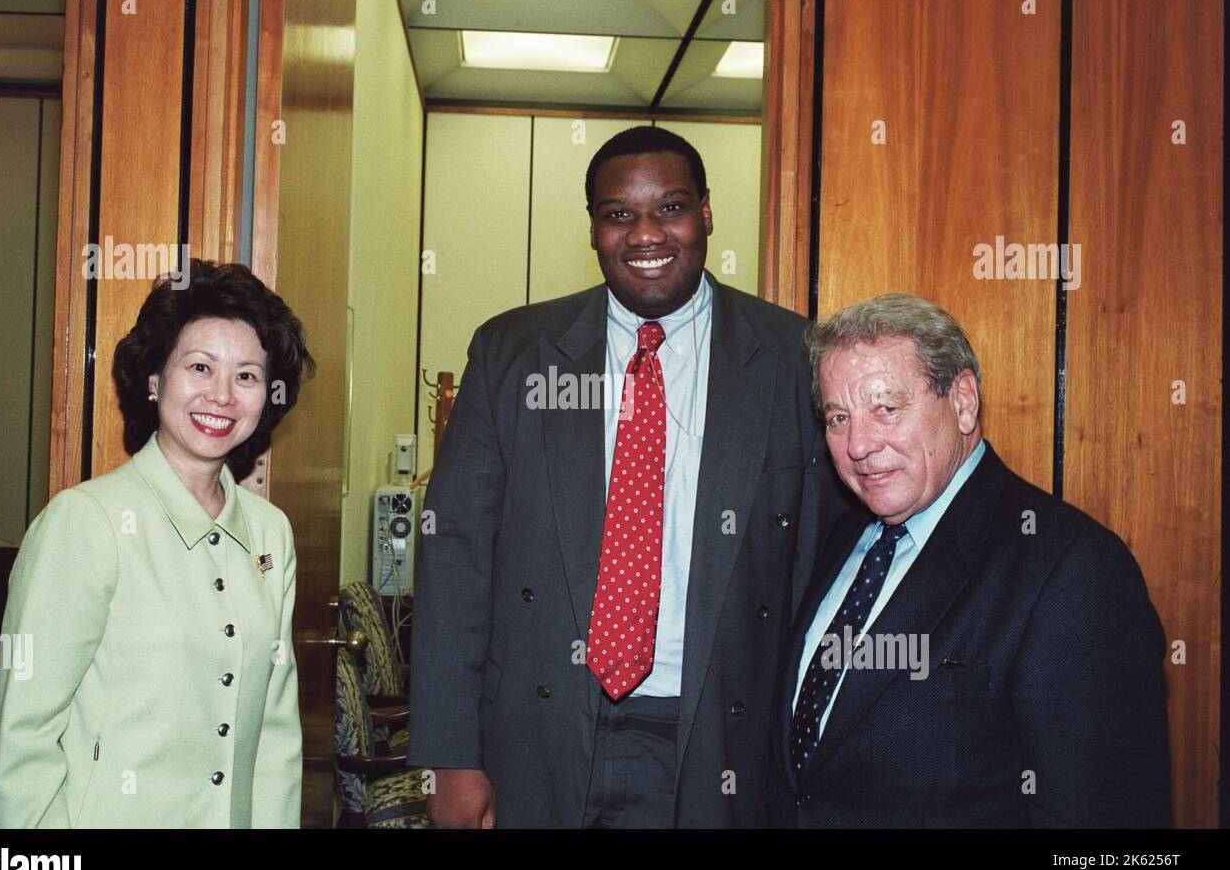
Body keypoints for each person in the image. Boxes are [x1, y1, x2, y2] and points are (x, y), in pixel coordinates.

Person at [409, 125, 850, 827]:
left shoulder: (794, 356)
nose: (645, 234)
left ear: (707, 213)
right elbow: (454, 556)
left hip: (725, 742)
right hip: (537, 738)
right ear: (592, 229)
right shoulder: (512, 353)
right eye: (618, 214)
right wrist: (449, 753)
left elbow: (829, 566)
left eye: (670, 208)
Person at [766, 293, 1171, 827]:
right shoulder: (840, 536)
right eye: (838, 417)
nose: (858, 445)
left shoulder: (1073, 569)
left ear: (962, 402)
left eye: (886, 408)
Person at [0, 260, 315, 828]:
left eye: (246, 376)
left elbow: (275, 733)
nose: (221, 395)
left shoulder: (270, 533)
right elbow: (24, 738)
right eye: (200, 367)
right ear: (155, 378)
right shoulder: (86, 523)